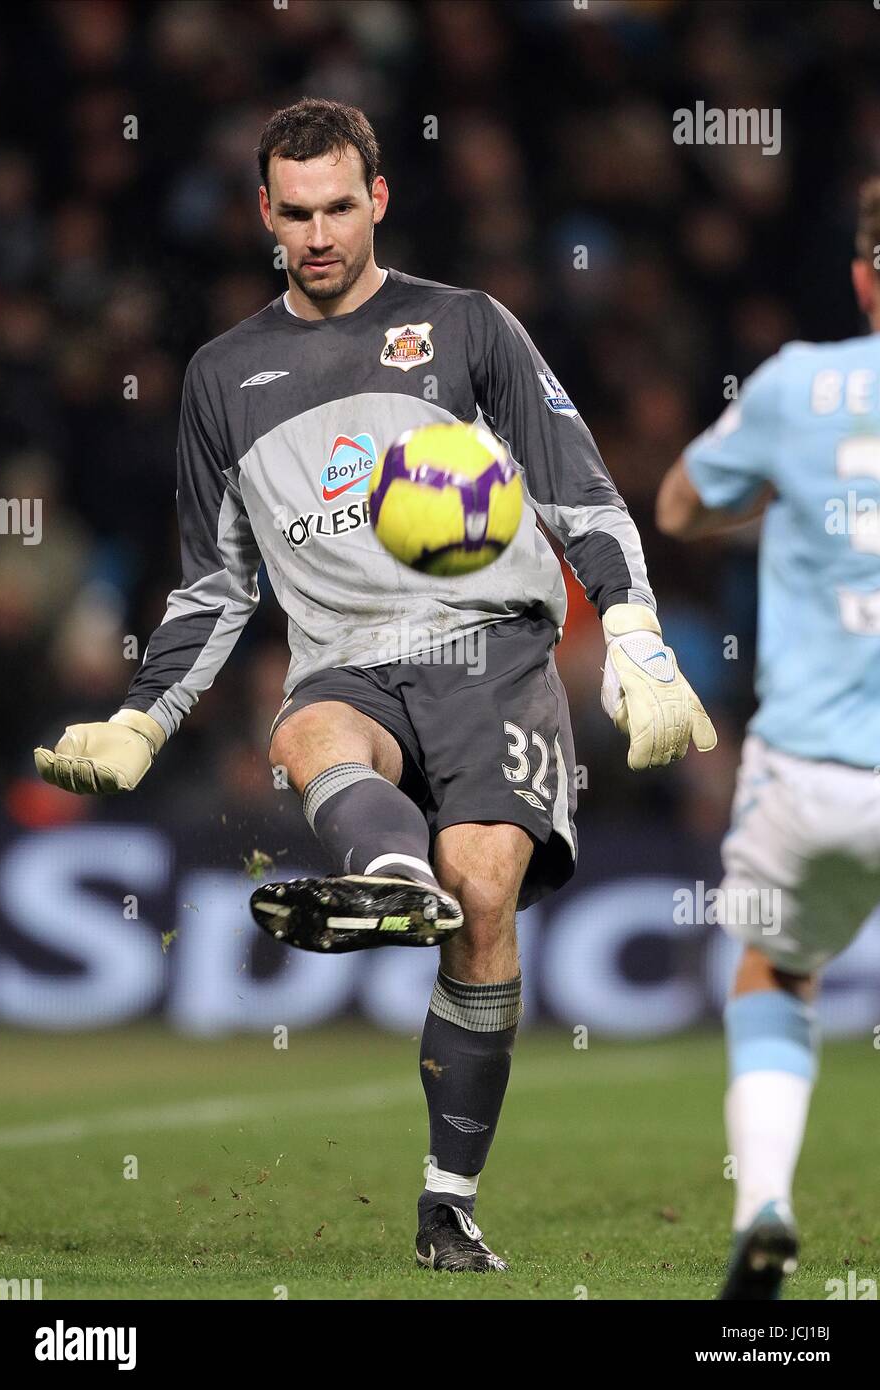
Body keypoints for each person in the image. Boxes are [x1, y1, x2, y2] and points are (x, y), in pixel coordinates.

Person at [36, 97, 715, 1274]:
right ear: (263, 212)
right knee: (312, 735)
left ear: (379, 199)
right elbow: (213, 587)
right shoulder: (222, 375)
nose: (318, 233)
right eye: (294, 212)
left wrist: (639, 640)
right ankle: (387, 871)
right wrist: (145, 716)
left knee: (484, 886)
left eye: (339, 206)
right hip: (343, 649)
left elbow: (580, 495)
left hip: (489, 648)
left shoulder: (467, 328)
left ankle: (447, 1197)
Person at [657, 176, 880, 1300]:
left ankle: (765, 1210)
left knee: (774, 970)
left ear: (861, 274)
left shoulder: (796, 385)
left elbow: (678, 505)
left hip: (810, 767)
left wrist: (789, 493)